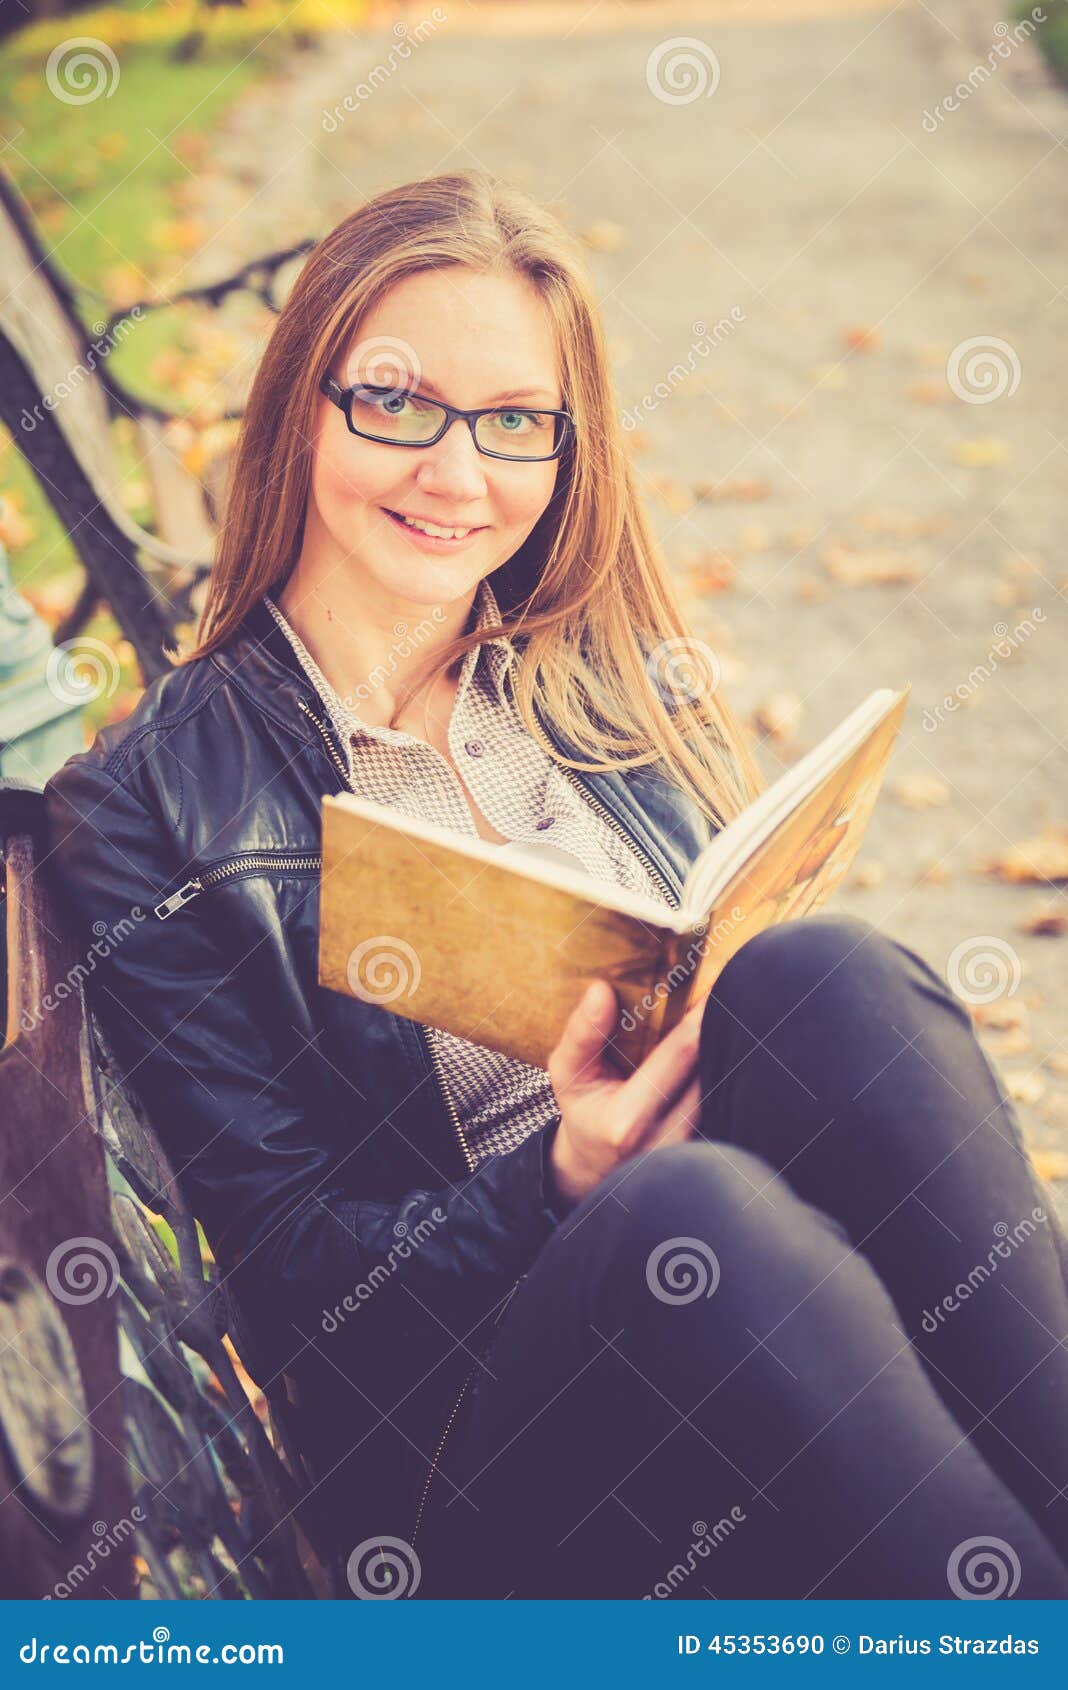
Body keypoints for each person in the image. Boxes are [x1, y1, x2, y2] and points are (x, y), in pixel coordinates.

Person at [43, 171, 1068, 1602]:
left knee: (822, 980)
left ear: (563, 448)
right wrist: (563, 1176)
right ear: (298, 406)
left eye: (515, 422)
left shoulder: (588, 689)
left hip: (751, 1310)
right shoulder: (155, 802)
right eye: (396, 402)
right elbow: (297, 1285)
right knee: (679, 1216)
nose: (458, 475)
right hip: (469, 1467)